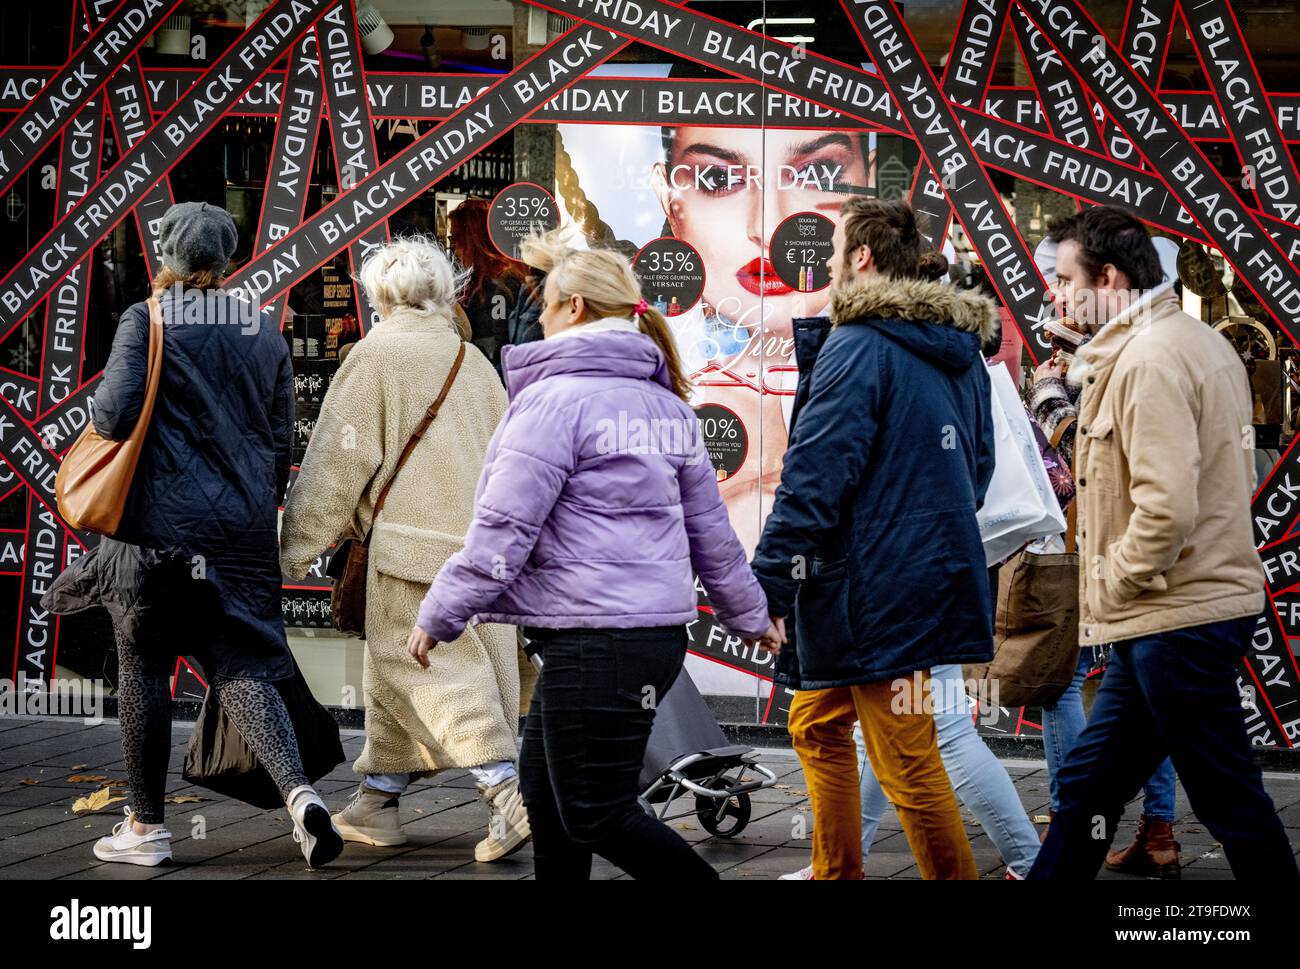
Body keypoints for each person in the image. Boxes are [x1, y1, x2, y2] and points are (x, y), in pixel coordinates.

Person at [410, 228, 781, 880]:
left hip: (593, 639)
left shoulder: (553, 404)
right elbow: (712, 537)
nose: (538, 319)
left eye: (546, 303)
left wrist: (442, 609)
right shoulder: (666, 405)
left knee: (593, 810)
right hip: (649, 641)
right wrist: (749, 614)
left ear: (575, 308)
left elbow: (503, 530)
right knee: (550, 800)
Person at [44, 202, 342, 869]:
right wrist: (250, 510)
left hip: (155, 529)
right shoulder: (263, 330)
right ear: (226, 261)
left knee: (144, 666)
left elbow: (113, 416)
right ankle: (300, 798)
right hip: (238, 534)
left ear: (167, 257)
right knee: (240, 662)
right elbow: (277, 443)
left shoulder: (145, 319)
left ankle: (147, 828)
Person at [1026, 205, 1298, 881]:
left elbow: (1166, 508)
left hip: (1175, 618)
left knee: (1227, 796)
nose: (1056, 295)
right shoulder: (1181, 342)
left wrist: (1114, 580)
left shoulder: (1150, 359)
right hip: (1166, 616)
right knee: (1090, 788)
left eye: (1066, 279)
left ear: (1109, 278)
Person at [752, 197, 996, 881]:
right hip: (911, 575)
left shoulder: (857, 344)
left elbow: (814, 478)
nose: (829, 264)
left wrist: (768, 585)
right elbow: (978, 470)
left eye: (835, 252)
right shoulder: (957, 349)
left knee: (907, 761)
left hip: (873, 588)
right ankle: (836, 872)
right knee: (815, 722)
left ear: (860, 257)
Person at [280, 236, 529, 863]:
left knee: (442, 682)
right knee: (401, 681)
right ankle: (378, 802)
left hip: (409, 557)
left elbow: (335, 467)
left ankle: (506, 794)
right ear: (444, 293)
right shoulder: (473, 362)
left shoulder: (374, 357)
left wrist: (291, 550)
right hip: (481, 554)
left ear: (378, 297)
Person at [1028, 243, 1181, 877]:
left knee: (1065, 683)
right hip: (1120, 552)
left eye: (1065, 280)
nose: (1058, 294)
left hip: (1093, 546)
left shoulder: (1109, 358)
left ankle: (1074, 821)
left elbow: (1084, 463)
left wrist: (1045, 394)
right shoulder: (1148, 348)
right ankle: (1156, 829)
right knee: (1145, 697)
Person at [449, 199, 525, 367]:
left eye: (456, 240)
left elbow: (499, 345)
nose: (454, 249)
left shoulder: (501, 284)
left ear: (474, 241)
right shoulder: (478, 280)